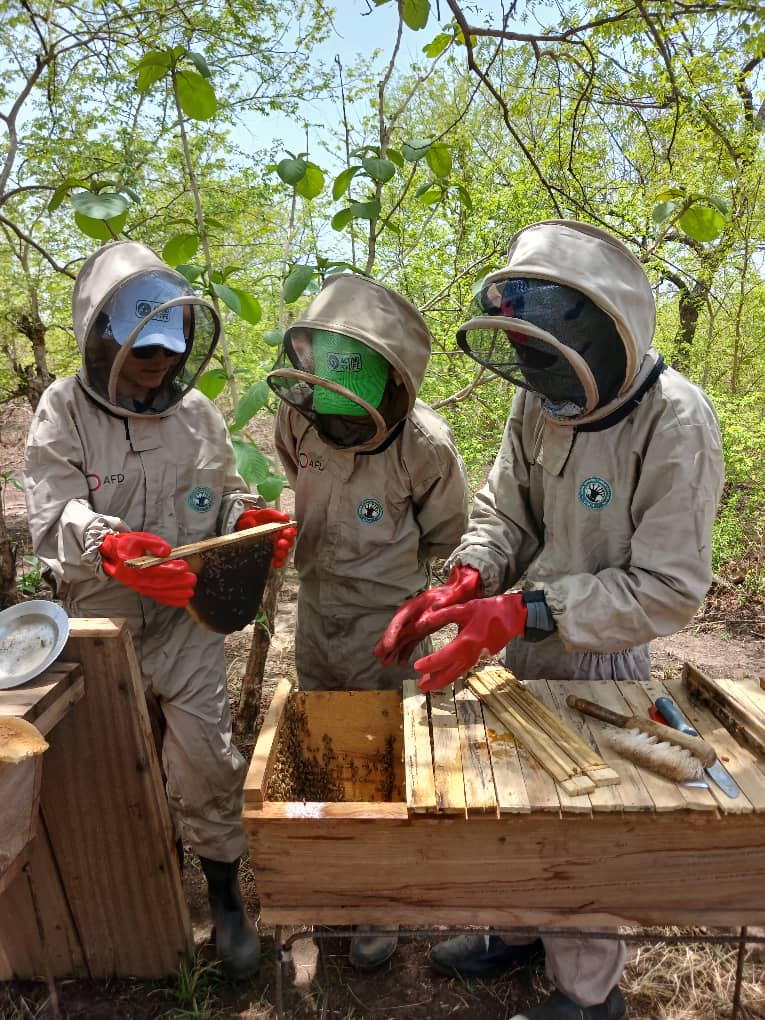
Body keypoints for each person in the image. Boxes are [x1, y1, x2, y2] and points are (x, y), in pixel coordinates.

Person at [374, 220, 725, 1020]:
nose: (536, 376)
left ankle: (588, 994)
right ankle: (516, 932)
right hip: (521, 634)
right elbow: (506, 511)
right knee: (514, 805)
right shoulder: (538, 402)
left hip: (601, 658)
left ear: (604, 333)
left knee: (584, 826)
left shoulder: (676, 420)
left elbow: (670, 588)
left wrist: (525, 609)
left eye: (548, 355)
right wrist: (467, 577)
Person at [23, 239, 294, 980]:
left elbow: (224, 493)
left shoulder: (199, 414)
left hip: (185, 622)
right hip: (99, 626)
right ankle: (135, 902)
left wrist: (247, 526)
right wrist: (108, 546)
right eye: (141, 347)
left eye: (168, 349)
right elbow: (50, 514)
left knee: (206, 761)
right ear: (103, 337)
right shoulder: (63, 409)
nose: (156, 362)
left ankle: (225, 897)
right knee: (111, 772)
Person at [267, 271, 469, 968]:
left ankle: (379, 904)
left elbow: (449, 538)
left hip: (390, 623)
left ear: (391, 384)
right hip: (317, 608)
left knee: (384, 759)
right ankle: (332, 886)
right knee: (320, 749)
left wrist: (420, 603)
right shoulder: (296, 418)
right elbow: (297, 473)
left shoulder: (426, 447)